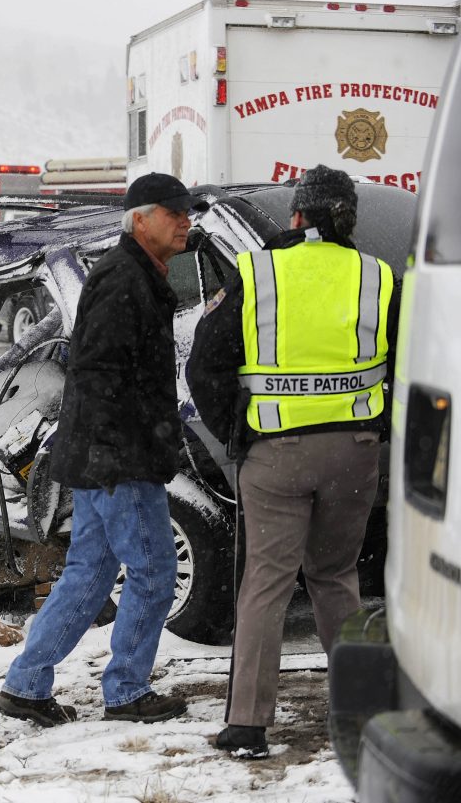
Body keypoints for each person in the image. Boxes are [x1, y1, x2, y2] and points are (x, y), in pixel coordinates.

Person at [186, 165, 398, 759]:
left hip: (275, 453)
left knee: (266, 584)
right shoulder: (377, 277)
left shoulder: (255, 273)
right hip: (356, 454)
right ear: (347, 218)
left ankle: (248, 725)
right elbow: (406, 365)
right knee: (336, 578)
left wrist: (237, 430)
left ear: (298, 215)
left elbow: (203, 366)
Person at [0, 173, 203, 727]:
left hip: (101, 456)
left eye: (188, 212)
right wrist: (127, 450)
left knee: (89, 574)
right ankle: (128, 692)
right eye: (174, 212)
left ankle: (25, 686)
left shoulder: (137, 274)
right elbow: (98, 373)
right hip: (118, 459)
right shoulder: (123, 280)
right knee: (156, 574)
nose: (185, 220)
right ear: (140, 219)